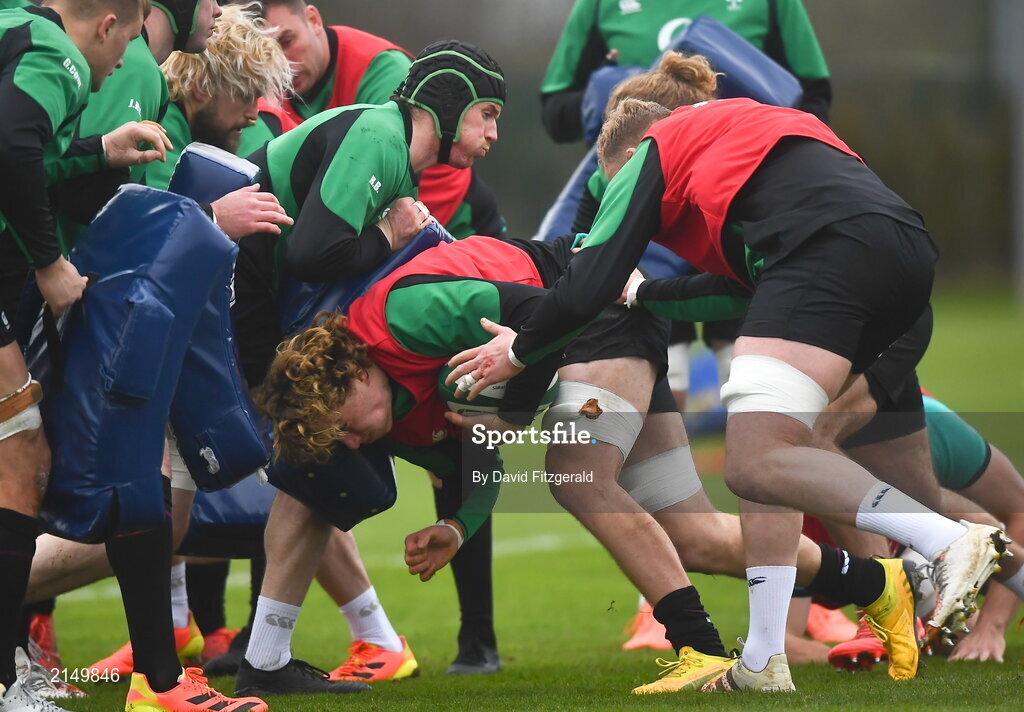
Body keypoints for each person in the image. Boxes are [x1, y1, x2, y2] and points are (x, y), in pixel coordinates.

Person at [447, 91, 1010, 692]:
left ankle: (947, 542)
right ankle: (766, 658)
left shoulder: (654, 151)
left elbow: (589, 279)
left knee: (760, 457)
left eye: (618, 190)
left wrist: (515, 353)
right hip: (899, 255)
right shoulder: (743, 148)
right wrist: (642, 297)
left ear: (632, 154)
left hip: (830, 253)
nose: (631, 208)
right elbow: (745, 291)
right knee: (770, 457)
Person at [0, 2, 266, 711]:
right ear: (117, 21)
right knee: (71, 470)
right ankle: (145, 681)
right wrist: (55, 263)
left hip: (41, 278)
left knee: (58, 468)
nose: (218, 8)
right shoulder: (77, 53)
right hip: (53, 283)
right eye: (208, 1)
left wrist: (99, 154)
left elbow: (57, 162)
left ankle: (155, 677)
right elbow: (51, 172)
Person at [226, 40, 506, 697]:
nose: (493, 134)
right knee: (289, 477)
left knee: (324, 474)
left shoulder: (392, 153)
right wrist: (394, 236)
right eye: (486, 114)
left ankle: (272, 658)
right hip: (243, 300)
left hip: (256, 306)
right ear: (448, 104)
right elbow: (314, 252)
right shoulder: (382, 135)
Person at [248, 0, 505, 240]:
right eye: (266, 52)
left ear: (313, 20)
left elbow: (385, 191)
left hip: (459, 222)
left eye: (287, 40)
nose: (281, 63)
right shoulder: (264, 85)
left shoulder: (383, 69)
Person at [540, 0, 831, 145]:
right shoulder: (600, 4)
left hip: (741, 201)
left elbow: (813, 101)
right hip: (635, 200)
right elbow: (555, 116)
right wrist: (608, 91)